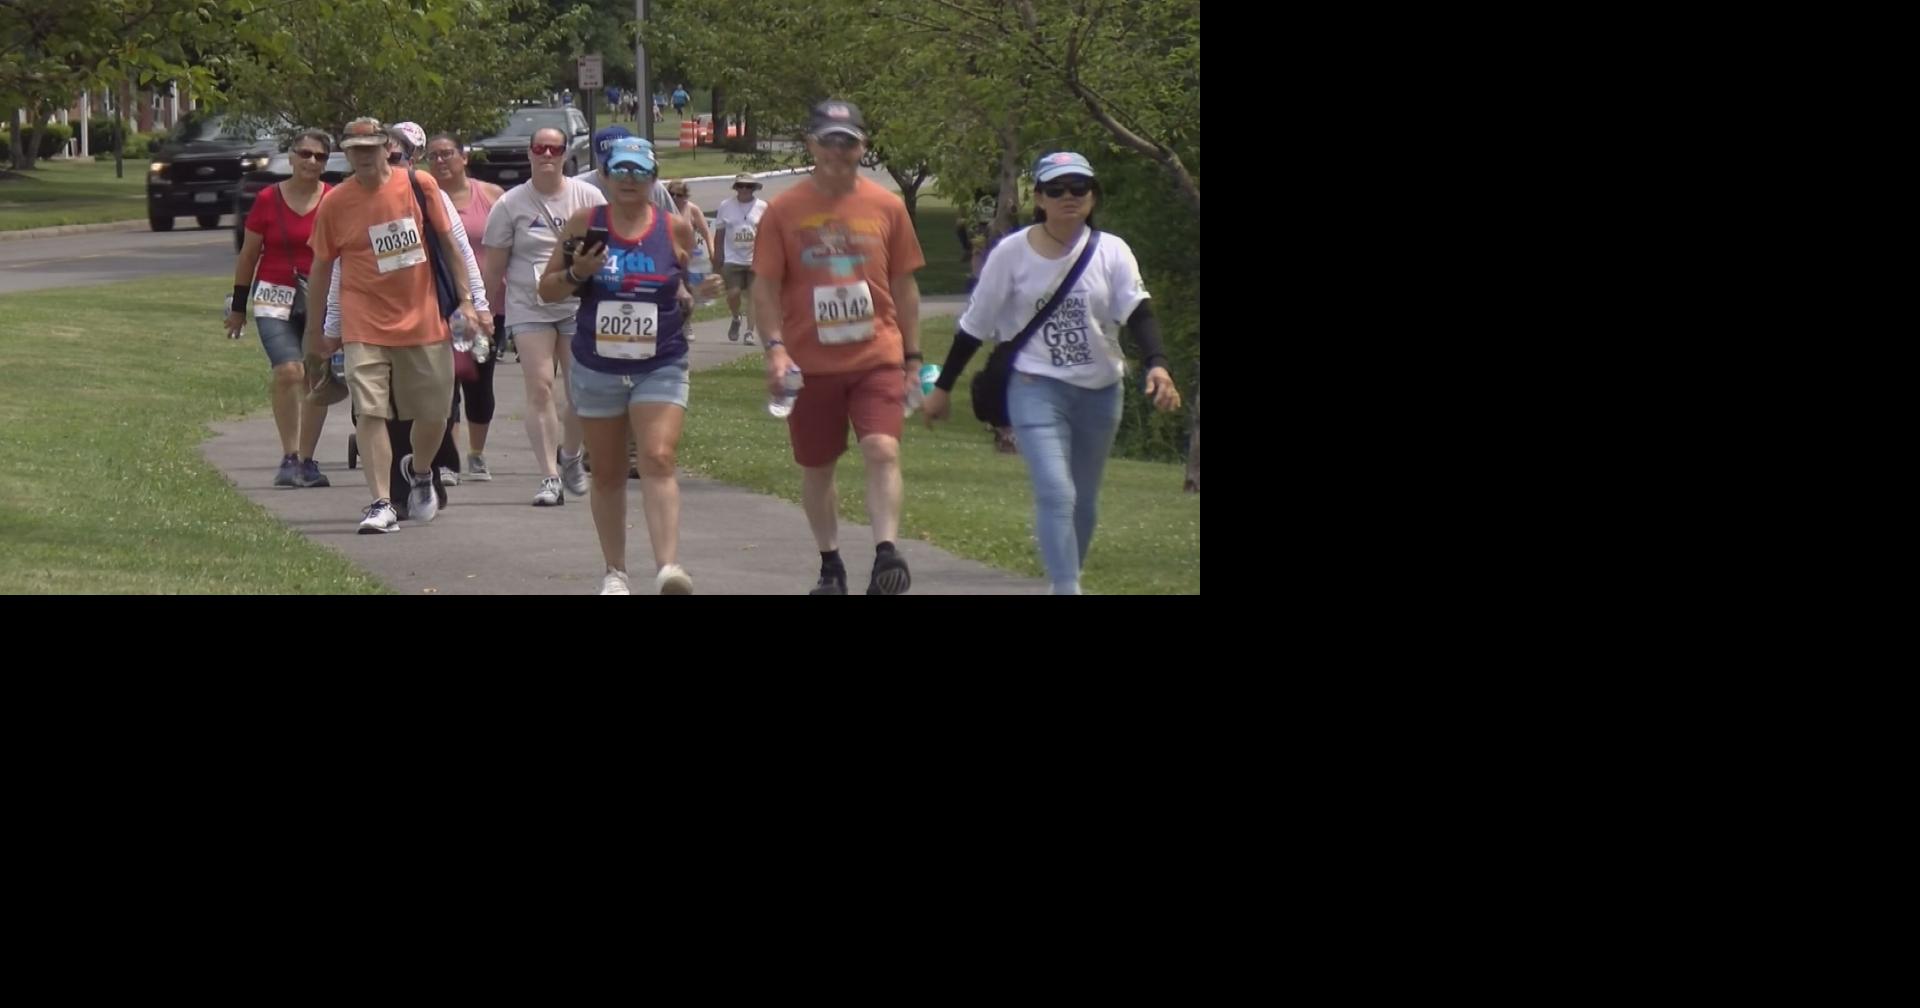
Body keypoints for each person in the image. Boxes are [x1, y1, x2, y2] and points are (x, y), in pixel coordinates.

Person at [922, 151, 1182, 595]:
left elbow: (1138, 310)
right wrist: (942, 388)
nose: (1069, 197)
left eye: (1079, 188)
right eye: (1056, 189)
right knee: (1057, 494)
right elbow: (973, 328)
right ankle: (1066, 588)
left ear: (1092, 196)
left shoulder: (1111, 251)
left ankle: (1065, 580)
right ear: (1039, 198)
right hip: (1035, 386)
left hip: (1101, 391)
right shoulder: (1011, 254)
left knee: (1084, 499)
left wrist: (1158, 364)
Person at [751, 99, 926, 594]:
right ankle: (831, 566)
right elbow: (764, 287)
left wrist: (913, 357)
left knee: (881, 447)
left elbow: (905, 285)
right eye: (828, 141)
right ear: (811, 145)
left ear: (862, 147)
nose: (837, 151)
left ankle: (886, 554)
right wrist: (776, 349)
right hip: (810, 363)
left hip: (877, 355)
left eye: (847, 142)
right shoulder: (784, 211)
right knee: (817, 465)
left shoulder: (887, 206)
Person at [537, 137, 719, 594]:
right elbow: (548, 290)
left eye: (639, 172)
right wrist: (578, 271)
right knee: (611, 470)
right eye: (621, 171)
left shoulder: (675, 229)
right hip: (597, 363)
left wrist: (700, 292)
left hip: (660, 361)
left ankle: (668, 568)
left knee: (658, 457)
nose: (629, 181)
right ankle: (615, 572)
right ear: (605, 176)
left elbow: (691, 286)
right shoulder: (586, 223)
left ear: (653, 179)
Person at [305, 116, 484, 533]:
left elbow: (449, 245)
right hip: (363, 324)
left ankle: (421, 473)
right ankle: (381, 502)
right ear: (345, 154)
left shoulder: (419, 186)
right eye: (354, 150)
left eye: (370, 148)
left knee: (434, 413)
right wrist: (317, 331)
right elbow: (321, 269)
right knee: (369, 412)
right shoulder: (335, 203)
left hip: (423, 322)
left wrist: (467, 302)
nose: (363, 157)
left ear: (387, 147)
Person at [481, 124, 605, 506]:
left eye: (555, 149)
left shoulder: (589, 197)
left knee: (581, 390)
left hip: (577, 305)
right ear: (530, 153)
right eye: (540, 148)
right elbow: (494, 266)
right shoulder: (510, 204)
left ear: (566, 153)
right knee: (539, 386)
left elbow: (605, 253)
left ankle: (570, 457)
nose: (547, 155)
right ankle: (548, 476)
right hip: (528, 304)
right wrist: (484, 311)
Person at [225, 128, 334, 489]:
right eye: (305, 154)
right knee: (289, 370)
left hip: (320, 297)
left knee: (316, 377)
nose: (311, 161)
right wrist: (238, 307)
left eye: (319, 156)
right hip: (273, 292)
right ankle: (289, 456)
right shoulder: (268, 199)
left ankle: (307, 458)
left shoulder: (334, 200)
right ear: (291, 157)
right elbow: (248, 255)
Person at [426, 131, 506, 482]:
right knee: (446, 381)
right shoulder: (423, 197)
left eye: (447, 154)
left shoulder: (491, 196)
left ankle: (476, 453)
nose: (441, 161)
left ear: (464, 157)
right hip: (439, 303)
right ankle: (448, 459)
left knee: (479, 381)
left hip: (488, 305)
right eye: (433, 156)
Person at [713, 172, 766, 344]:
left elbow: (768, 234)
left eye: (748, 186)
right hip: (732, 258)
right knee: (733, 294)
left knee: (753, 297)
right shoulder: (725, 206)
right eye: (741, 185)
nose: (744, 189)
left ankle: (749, 332)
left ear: (754, 189)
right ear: (736, 188)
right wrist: (717, 260)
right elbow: (719, 235)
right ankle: (736, 318)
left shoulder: (763, 207)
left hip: (755, 258)